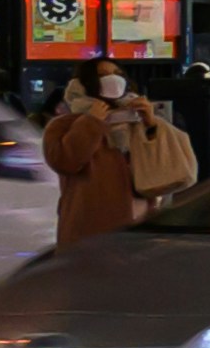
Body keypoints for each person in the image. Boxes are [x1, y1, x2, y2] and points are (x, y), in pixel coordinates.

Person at [42, 63, 157, 243]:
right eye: (103, 74)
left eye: (118, 73)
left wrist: (152, 125)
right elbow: (66, 161)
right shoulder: (64, 125)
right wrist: (92, 121)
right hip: (89, 232)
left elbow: (162, 163)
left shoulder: (137, 119)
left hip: (140, 228)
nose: (113, 79)